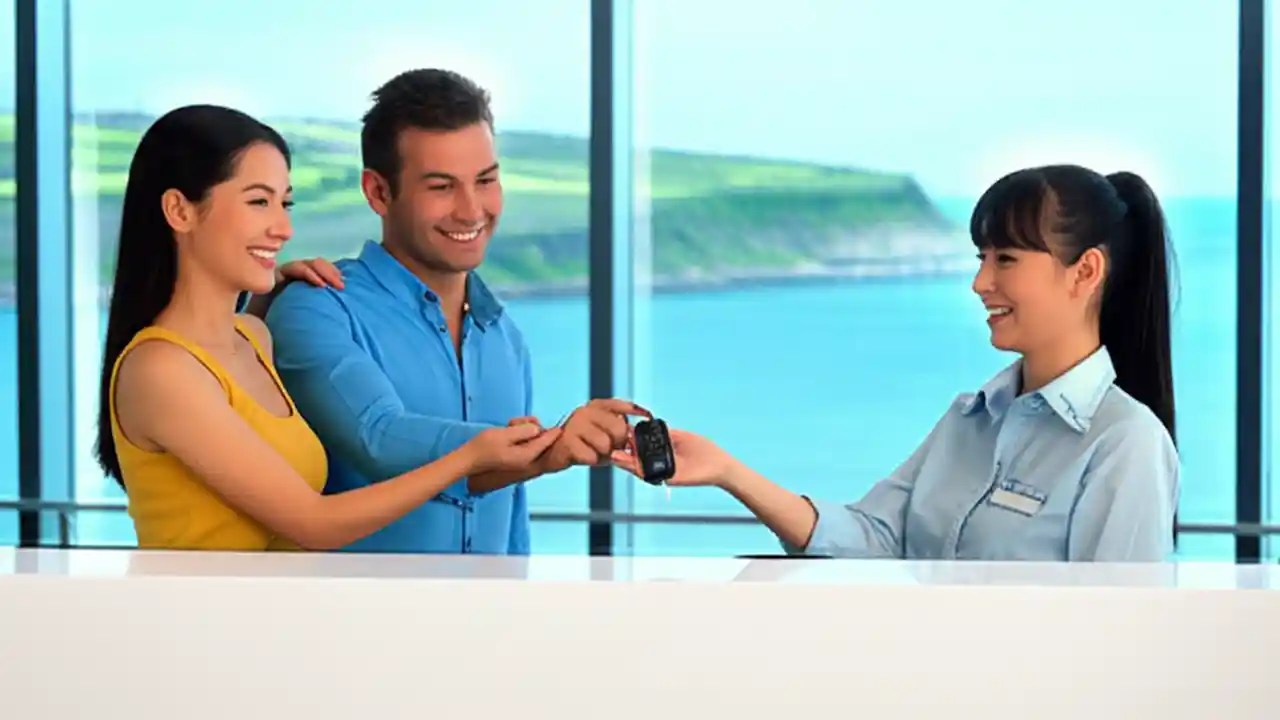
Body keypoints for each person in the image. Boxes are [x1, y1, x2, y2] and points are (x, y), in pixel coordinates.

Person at [614, 164, 1180, 562]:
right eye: (981, 258)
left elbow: (1116, 642)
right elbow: (873, 536)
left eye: (1005, 259)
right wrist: (727, 472)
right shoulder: (969, 421)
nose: (981, 282)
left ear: (1084, 272)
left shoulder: (1126, 445)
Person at [95, 104, 561, 552]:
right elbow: (314, 523)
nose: (282, 228)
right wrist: (469, 455)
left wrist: (269, 286)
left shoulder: (252, 338)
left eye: (286, 203)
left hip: (282, 624)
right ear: (179, 211)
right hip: (207, 627)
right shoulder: (160, 370)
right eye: (259, 201)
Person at [263, 68, 647, 555]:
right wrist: (551, 448)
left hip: (490, 626)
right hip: (356, 625)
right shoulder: (317, 308)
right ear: (378, 192)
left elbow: (510, 516)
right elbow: (379, 439)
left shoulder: (505, 338)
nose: (471, 211)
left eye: (485, 180)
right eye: (442, 187)